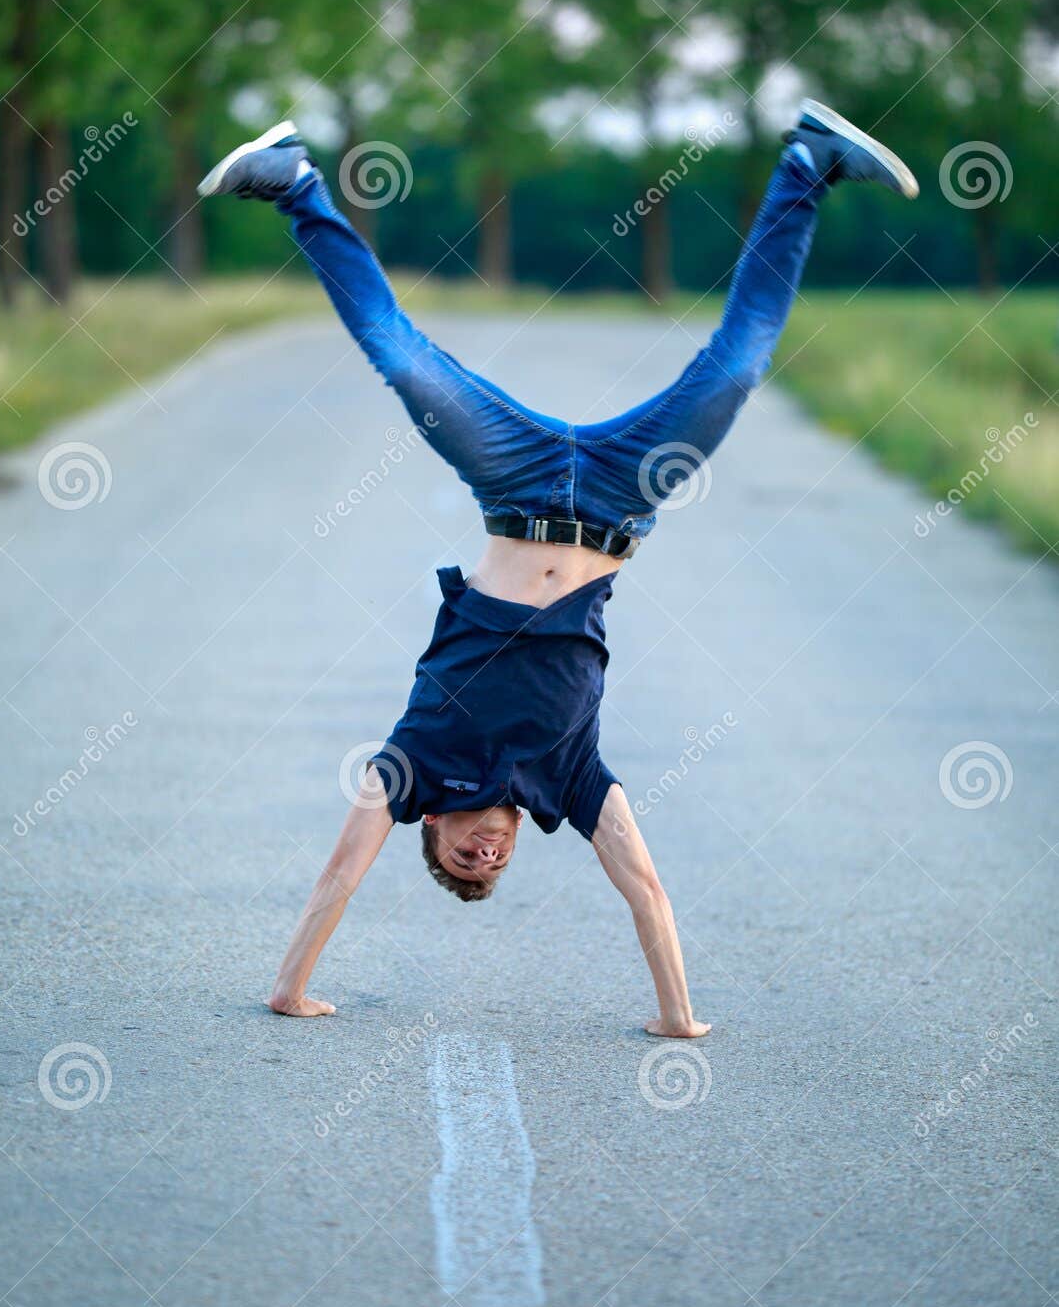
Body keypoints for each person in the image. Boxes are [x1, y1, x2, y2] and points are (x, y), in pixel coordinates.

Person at [198, 101, 917, 1034]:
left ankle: (294, 181)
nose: (485, 854)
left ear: (434, 829)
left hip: (515, 475)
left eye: (463, 858)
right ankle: (808, 164)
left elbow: (339, 872)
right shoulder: (566, 777)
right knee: (738, 368)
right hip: (625, 497)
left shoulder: (412, 767)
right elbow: (645, 888)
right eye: (492, 867)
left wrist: (289, 989)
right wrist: (677, 1018)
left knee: (402, 360)